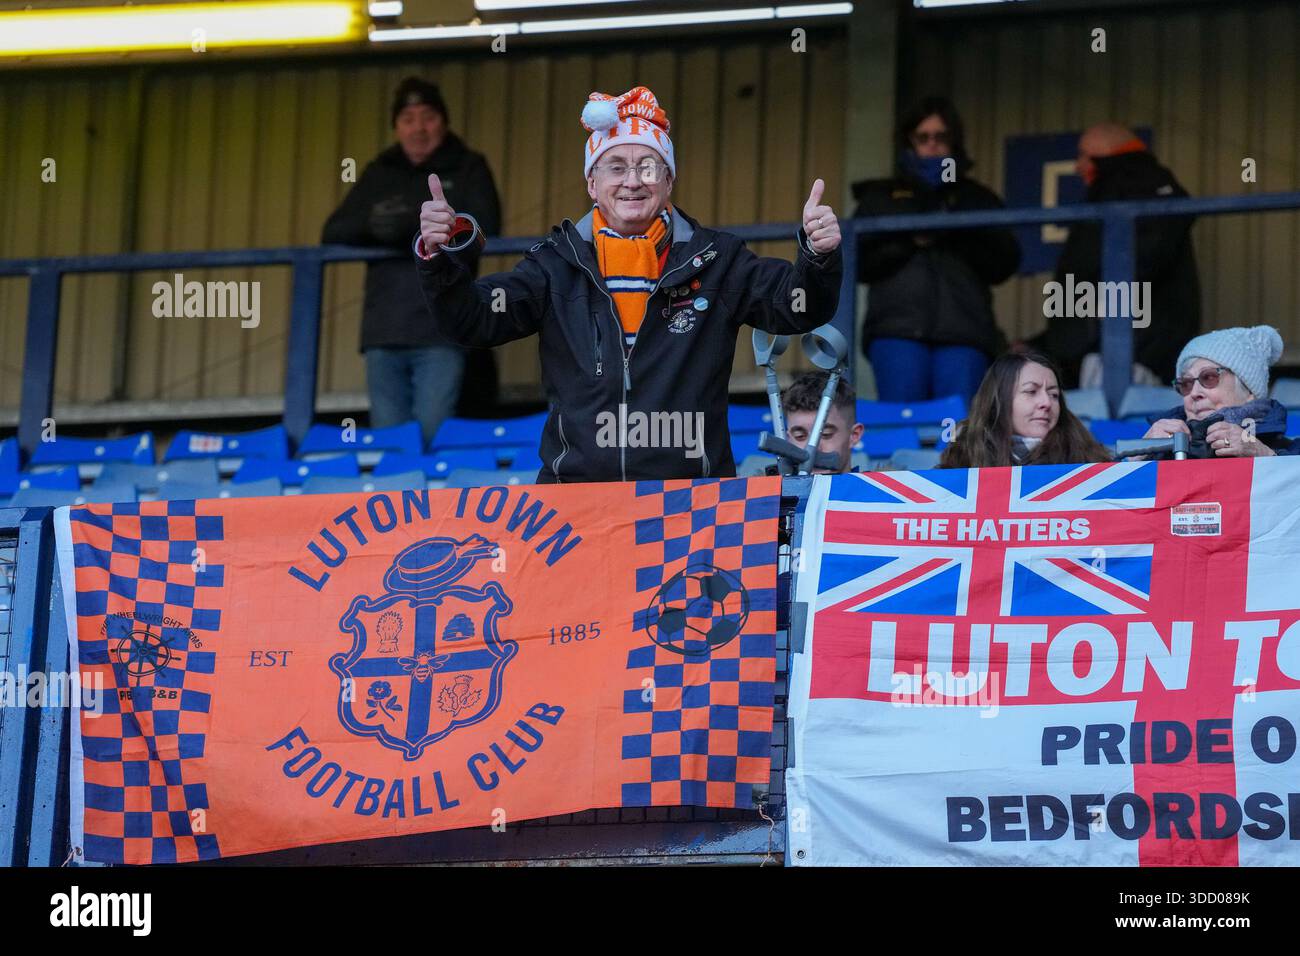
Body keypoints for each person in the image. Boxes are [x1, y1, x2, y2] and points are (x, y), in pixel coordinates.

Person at [415, 86, 842, 483]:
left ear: (669, 181)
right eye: (616, 167)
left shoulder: (718, 260)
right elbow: (472, 321)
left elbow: (799, 308)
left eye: (649, 167)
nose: (633, 181)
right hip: (577, 503)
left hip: (691, 502)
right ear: (592, 183)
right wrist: (438, 257)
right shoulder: (554, 264)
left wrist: (817, 254)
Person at [323, 77, 502, 444]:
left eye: (428, 117)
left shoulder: (467, 165)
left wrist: (407, 222)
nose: (418, 128)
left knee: (433, 436)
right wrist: (373, 225)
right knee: (392, 446)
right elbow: (333, 230)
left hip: (443, 326)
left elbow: (487, 225)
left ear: (444, 122)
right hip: (384, 329)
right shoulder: (380, 170)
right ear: (396, 127)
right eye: (407, 119)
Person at [852, 96, 1021, 404]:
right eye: (923, 137)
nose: (932, 145)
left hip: (963, 333)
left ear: (954, 140)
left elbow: (1005, 263)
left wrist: (953, 233)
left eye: (940, 137)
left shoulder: (976, 197)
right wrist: (909, 241)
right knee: (901, 425)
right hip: (897, 332)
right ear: (909, 140)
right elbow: (858, 262)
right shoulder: (881, 197)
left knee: (959, 427)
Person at [1028, 122, 1200, 388]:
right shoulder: (1123, 187)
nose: (1077, 166)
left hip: (1126, 350)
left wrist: (1101, 309)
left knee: (1116, 414)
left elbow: (1143, 258)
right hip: (1110, 347)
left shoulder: (1139, 183)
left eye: (1084, 155)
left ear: (1105, 153)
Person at [1142, 326, 1294, 459]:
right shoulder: (1159, 445)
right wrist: (1140, 455)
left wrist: (1264, 455)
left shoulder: (1289, 452)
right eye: (1186, 384)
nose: (1194, 393)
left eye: (1208, 377)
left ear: (1248, 390)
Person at [939, 351, 1111, 468]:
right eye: (1031, 392)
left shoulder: (1086, 460)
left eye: (1054, 395)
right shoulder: (962, 457)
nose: (1046, 403)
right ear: (999, 400)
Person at [782, 370, 863, 474]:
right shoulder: (766, 485)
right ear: (788, 439)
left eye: (825, 434)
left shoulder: (878, 485)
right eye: (800, 436)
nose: (812, 450)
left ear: (854, 435)